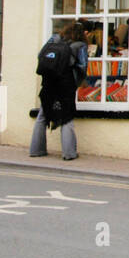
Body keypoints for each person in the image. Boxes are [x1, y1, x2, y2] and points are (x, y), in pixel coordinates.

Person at [30, 21, 88, 160]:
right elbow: (82, 66)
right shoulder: (80, 45)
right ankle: (69, 153)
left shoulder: (54, 39)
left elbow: (41, 55)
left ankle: (36, 150)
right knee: (66, 118)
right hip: (65, 84)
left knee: (43, 115)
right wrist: (77, 82)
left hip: (48, 82)